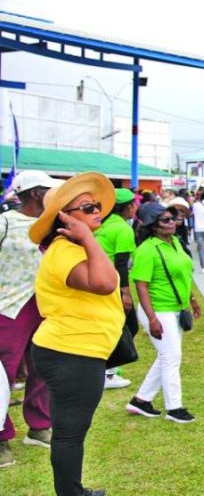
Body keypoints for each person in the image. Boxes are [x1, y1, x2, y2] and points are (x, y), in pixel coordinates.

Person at [29, 172, 123, 496]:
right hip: (71, 352)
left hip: (75, 349)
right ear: (65, 218)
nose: (97, 210)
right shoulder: (66, 250)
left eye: (96, 205)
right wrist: (87, 237)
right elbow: (104, 283)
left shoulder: (73, 247)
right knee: (70, 433)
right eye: (87, 207)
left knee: (71, 431)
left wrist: (86, 239)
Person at [0, 171, 61, 469]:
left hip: (47, 304)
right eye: (50, 190)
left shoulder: (53, 224)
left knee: (44, 366)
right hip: (8, 306)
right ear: (36, 193)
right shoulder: (5, 222)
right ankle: (1, 437)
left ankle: (39, 425)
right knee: (2, 373)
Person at [125, 202, 200, 423]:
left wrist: (192, 299)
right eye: (165, 220)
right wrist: (152, 318)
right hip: (159, 311)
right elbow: (141, 286)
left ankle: (141, 401)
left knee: (167, 356)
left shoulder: (175, 242)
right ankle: (174, 407)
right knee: (171, 357)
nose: (172, 223)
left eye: (173, 218)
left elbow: (182, 275)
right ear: (152, 226)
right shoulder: (147, 249)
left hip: (176, 308)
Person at [93, 187, 139, 390]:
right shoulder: (122, 228)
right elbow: (121, 263)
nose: (136, 207)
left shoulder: (103, 225)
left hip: (99, 282)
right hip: (112, 285)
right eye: (133, 204)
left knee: (113, 327)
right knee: (127, 326)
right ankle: (107, 373)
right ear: (127, 207)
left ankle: (106, 368)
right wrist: (125, 292)